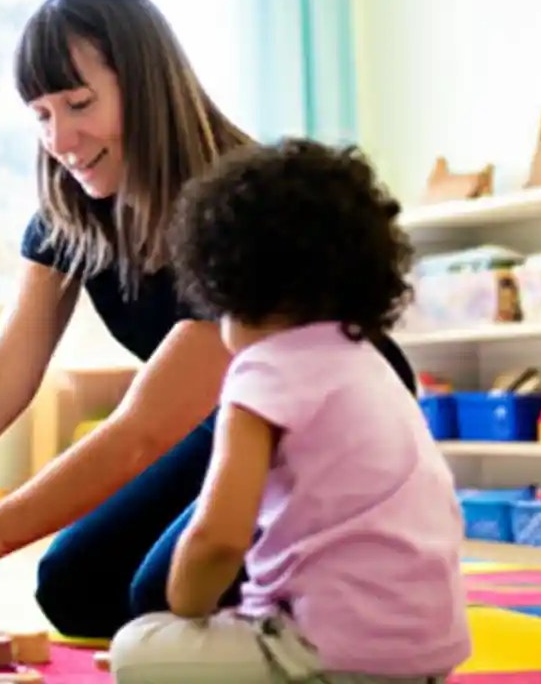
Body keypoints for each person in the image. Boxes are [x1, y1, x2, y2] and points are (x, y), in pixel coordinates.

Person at [0, 0, 418, 639]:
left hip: (326, 423)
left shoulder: (241, 202)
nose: (61, 137)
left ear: (144, 84)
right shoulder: (71, 213)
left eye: (79, 103)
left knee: (160, 596)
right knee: (75, 588)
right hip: (230, 419)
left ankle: (357, 590)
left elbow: (142, 432)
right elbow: (9, 368)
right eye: (41, 114)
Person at [108, 139, 470, 682]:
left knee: (135, 648)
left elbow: (219, 538)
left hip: (327, 654)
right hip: (427, 658)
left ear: (221, 281)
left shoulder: (261, 375)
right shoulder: (366, 362)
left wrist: (185, 612)